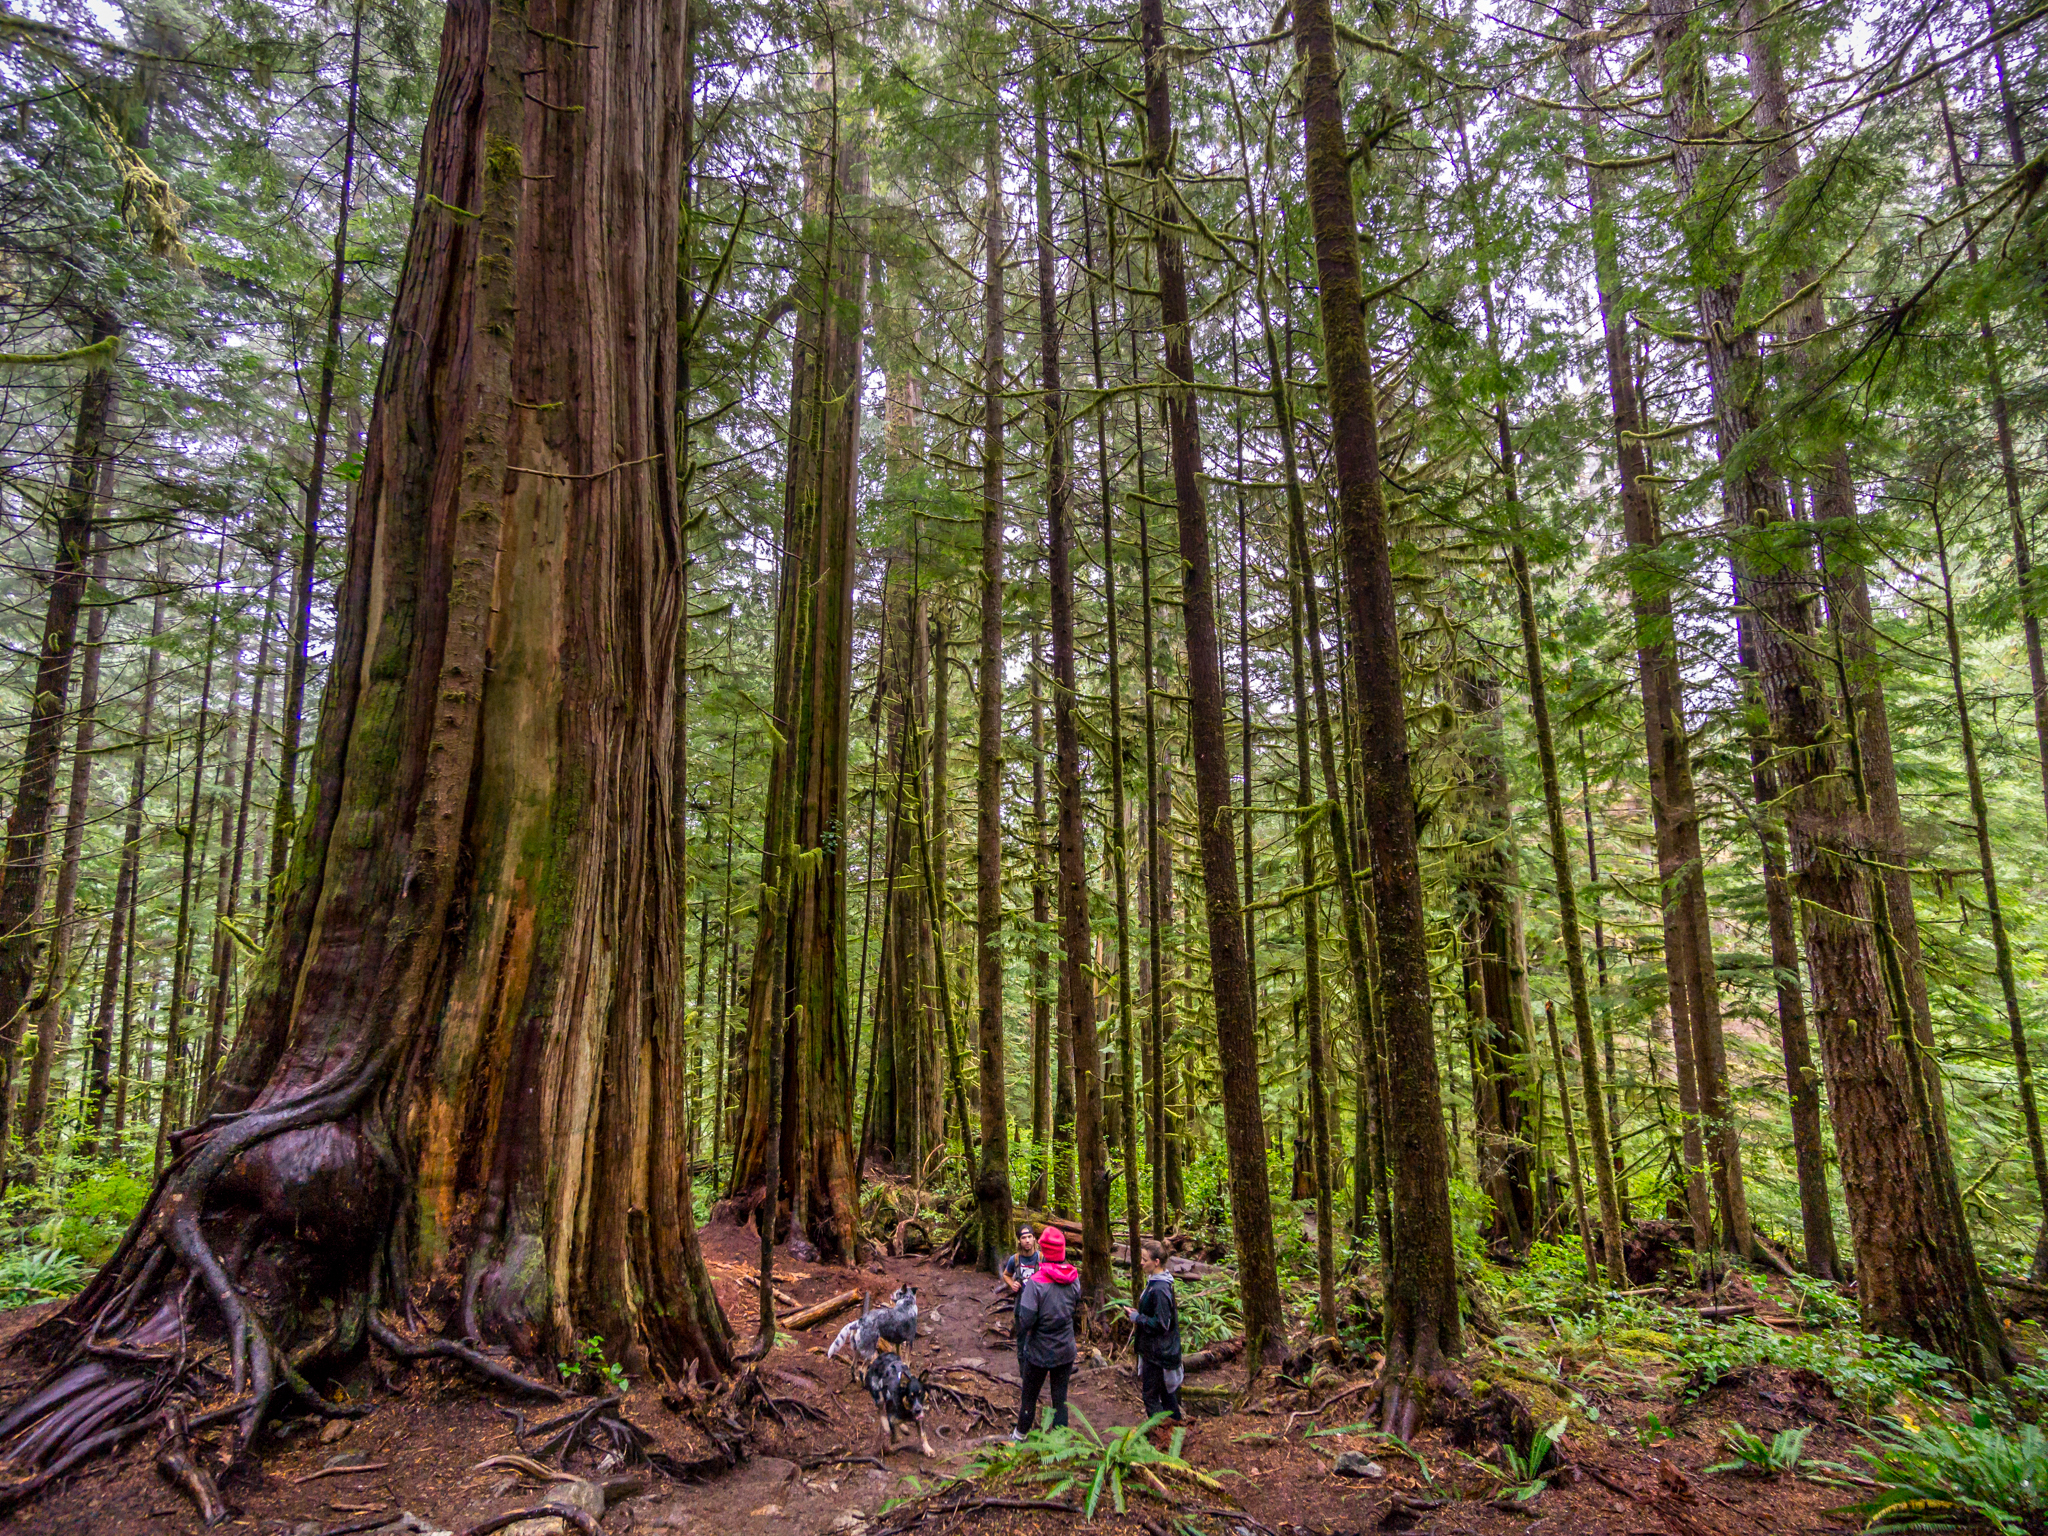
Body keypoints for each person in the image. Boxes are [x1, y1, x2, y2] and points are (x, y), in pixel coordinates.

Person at [1012, 1225, 1080, 1440]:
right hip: (1065, 1349)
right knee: (1060, 1399)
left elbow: (1026, 1320)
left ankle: (1020, 1436)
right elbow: (1074, 1307)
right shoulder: (1074, 1277)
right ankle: (1059, 1444)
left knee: (1029, 1396)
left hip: (1039, 1351)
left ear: (1044, 1251)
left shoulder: (1035, 1283)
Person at [1127, 1238, 1183, 1422]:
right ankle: (1177, 1430)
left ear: (1156, 1262)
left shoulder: (1159, 1289)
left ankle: (1163, 1432)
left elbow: (1161, 1324)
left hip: (1158, 1354)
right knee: (1166, 1395)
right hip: (1156, 1350)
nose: (1141, 1263)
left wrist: (1138, 1318)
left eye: (1145, 1259)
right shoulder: (1155, 1282)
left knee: (1151, 1397)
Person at [1000, 1226, 1040, 1295]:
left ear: (1034, 1238)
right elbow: (1006, 1275)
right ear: (1019, 1240)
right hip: (1021, 1299)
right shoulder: (1015, 1259)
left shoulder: (1042, 1258)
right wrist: (1012, 1284)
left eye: (1029, 1236)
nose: (1027, 1241)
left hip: (1039, 1299)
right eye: (1023, 1238)